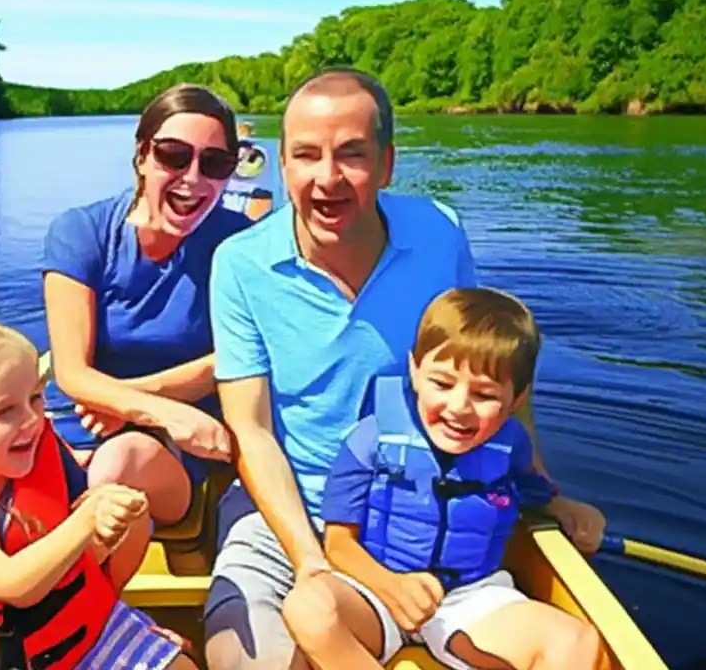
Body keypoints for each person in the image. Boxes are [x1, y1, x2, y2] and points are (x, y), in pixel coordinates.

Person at [203, 67, 608, 669]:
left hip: (433, 506)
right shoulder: (238, 264)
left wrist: (546, 492)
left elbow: (489, 370)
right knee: (251, 661)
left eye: (352, 155)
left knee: (577, 647)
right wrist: (311, 560)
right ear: (282, 165)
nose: (327, 178)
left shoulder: (438, 232)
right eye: (307, 156)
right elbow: (253, 432)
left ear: (388, 164)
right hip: (291, 512)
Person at [285, 287, 601, 670]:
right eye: (443, 384)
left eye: (484, 394)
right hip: (376, 591)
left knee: (576, 641)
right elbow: (338, 544)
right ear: (415, 371)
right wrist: (393, 587)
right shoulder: (370, 437)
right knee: (308, 605)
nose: (459, 408)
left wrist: (567, 508)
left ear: (517, 399)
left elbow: (532, 489)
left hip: (471, 598)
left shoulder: (511, 446)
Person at [0, 319, 197, 670]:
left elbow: (80, 502)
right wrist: (88, 519)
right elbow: (13, 585)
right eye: (4, 411)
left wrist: (109, 508)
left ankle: (117, 619)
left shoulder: (35, 444)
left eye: (35, 398)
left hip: (88, 630)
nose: (31, 419)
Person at [41, 83, 249, 536]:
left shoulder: (240, 244)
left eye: (214, 163)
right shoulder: (83, 232)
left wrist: (143, 409)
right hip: (76, 424)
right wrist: (142, 405)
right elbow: (71, 372)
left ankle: (68, 587)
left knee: (118, 465)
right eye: (174, 155)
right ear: (142, 156)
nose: (193, 178)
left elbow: (242, 358)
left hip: (171, 442)